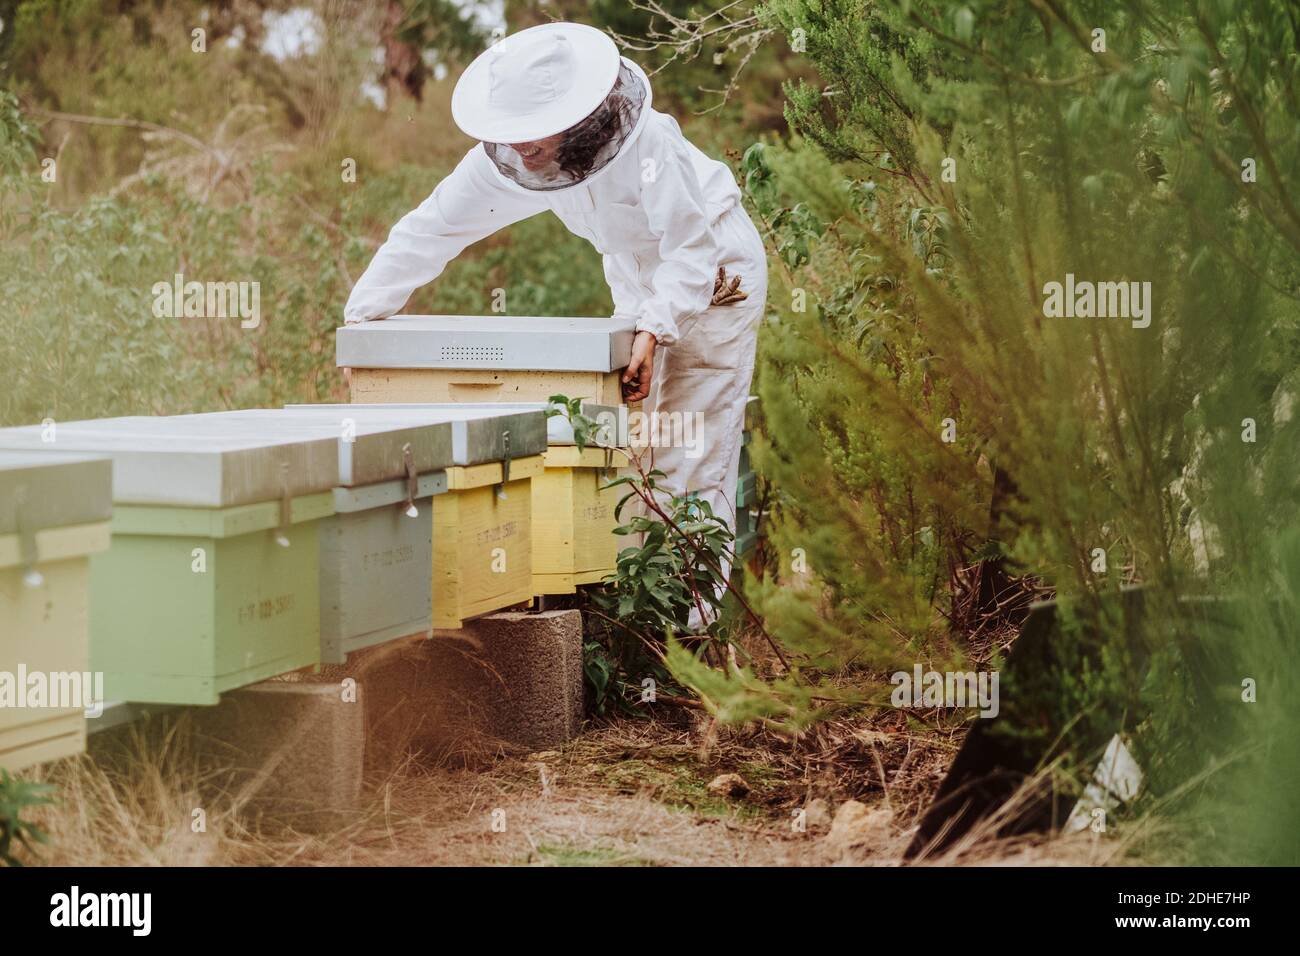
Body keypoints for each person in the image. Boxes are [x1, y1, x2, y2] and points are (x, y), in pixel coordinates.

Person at [344, 22, 766, 620]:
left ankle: (687, 644)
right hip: (635, 275)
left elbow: (689, 248)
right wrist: (360, 320)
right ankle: (637, 622)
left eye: (532, 139)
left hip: (716, 271)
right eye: (510, 138)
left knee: (689, 447)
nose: (520, 152)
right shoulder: (512, 158)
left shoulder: (649, 145)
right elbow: (434, 226)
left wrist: (655, 329)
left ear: (575, 121)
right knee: (631, 451)